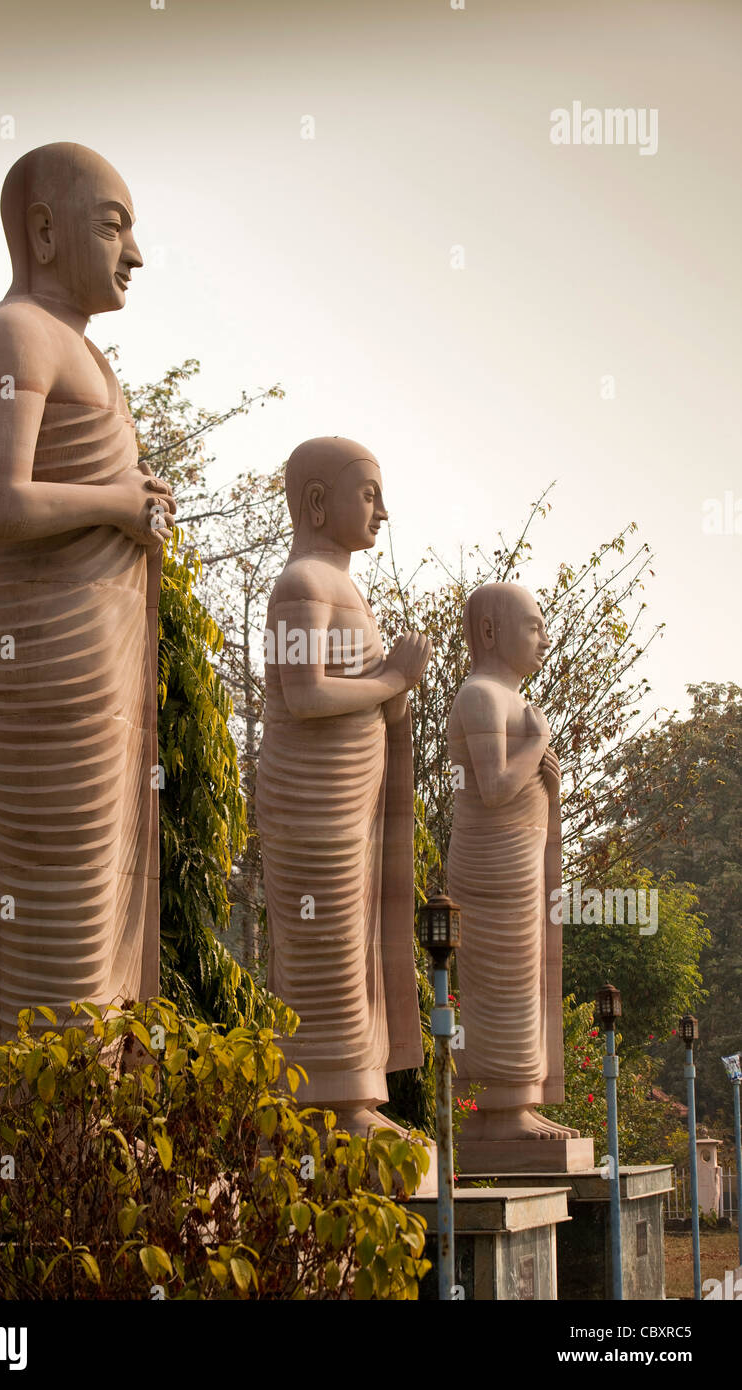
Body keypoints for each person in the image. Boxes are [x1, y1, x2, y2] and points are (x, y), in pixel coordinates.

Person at [0, 143, 175, 1040]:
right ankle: (57, 1136)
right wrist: (121, 503)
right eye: (114, 225)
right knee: (57, 903)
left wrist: (128, 503)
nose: (135, 254)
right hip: (40, 675)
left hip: (95, 675)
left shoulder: (77, 349)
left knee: (100, 895)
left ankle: (84, 1134)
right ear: (45, 232)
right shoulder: (16, 334)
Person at [256, 436, 431, 1133]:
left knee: (353, 938)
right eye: (369, 494)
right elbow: (301, 697)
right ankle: (323, 1100)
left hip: (351, 797)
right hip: (310, 798)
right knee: (322, 939)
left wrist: (392, 695)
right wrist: (392, 679)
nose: (383, 511)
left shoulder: (343, 586)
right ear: (319, 503)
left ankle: (347, 1095)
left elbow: (356, 695)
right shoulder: (300, 585)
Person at [446, 581, 578, 1141]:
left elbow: (524, 785)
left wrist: (550, 783)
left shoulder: (514, 700)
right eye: (533, 625)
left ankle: (519, 1103)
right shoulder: (480, 695)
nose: (544, 637)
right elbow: (496, 786)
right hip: (490, 868)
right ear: (492, 632)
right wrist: (538, 741)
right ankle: (496, 1112)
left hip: (521, 865)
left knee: (528, 981)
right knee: (497, 985)